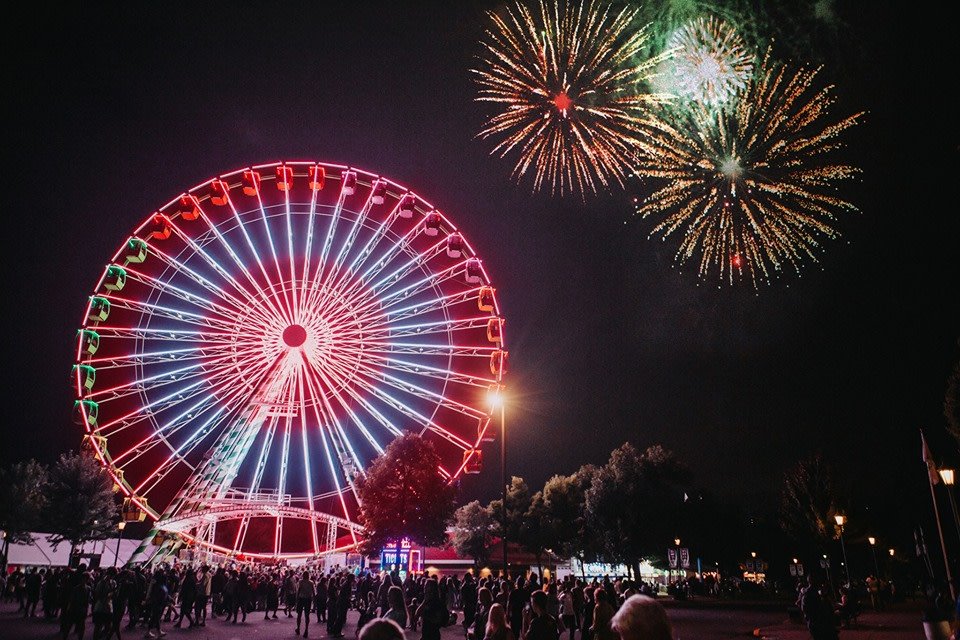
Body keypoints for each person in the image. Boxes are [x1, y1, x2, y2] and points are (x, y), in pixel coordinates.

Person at [800, 574, 839, 640]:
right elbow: (810, 611)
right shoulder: (809, 595)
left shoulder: (815, 593)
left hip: (821, 624)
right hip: (819, 625)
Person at [296, 570, 316, 637]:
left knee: (299, 614)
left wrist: (297, 599)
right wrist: (314, 600)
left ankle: (298, 628)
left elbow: (298, 591)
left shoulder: (300, 582)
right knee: (307, 615)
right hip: (308, 599)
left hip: (301, 599)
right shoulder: (311, 583)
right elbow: (313, 592)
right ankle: (306, 630)